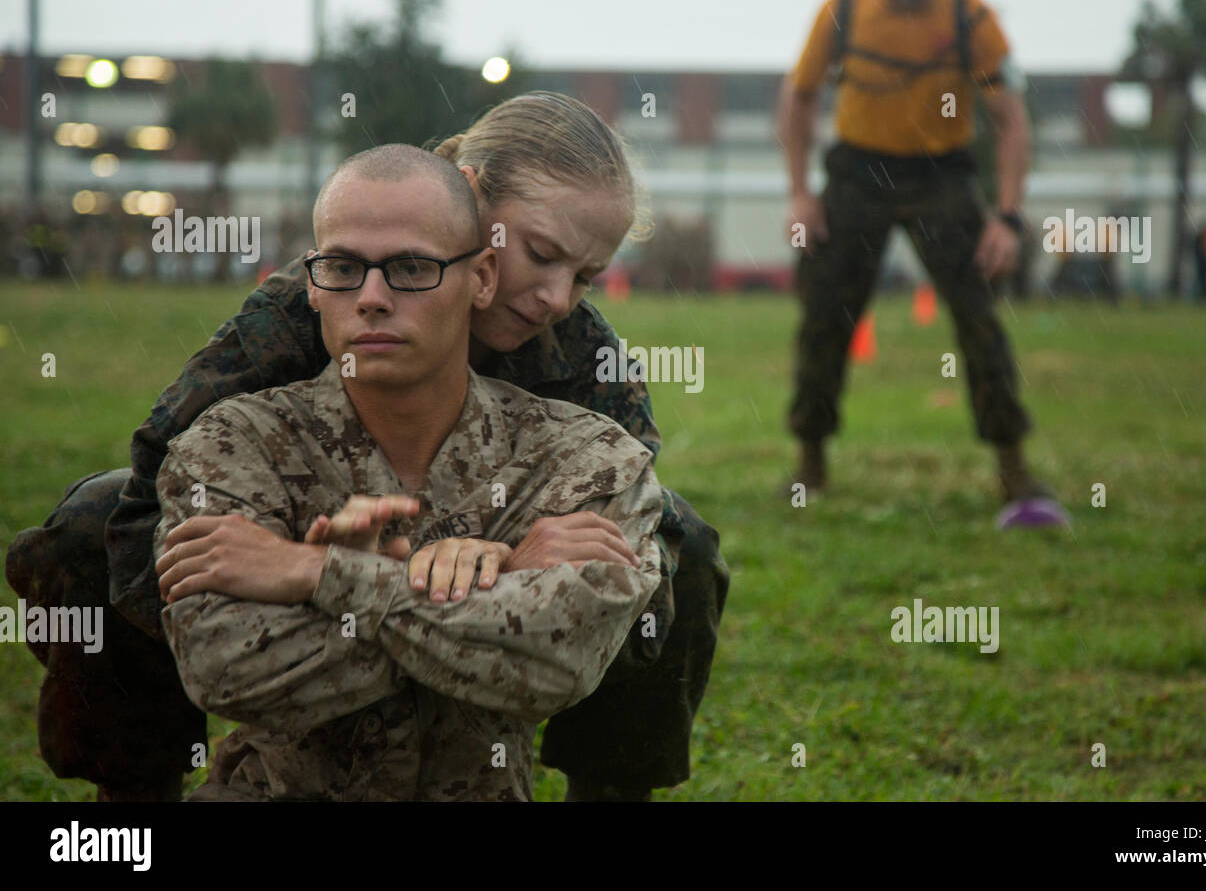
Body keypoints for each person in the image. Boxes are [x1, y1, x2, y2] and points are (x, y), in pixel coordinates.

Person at [4, 91, 729, 802]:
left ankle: (611, 789)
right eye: (540, 254)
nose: (555, 297)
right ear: (469, 199)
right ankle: (134, 788)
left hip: (474, 571)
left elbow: (631, 551)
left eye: (585, 275)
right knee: (89, 528)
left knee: (683, 544)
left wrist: (455, 568)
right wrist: (293, 572)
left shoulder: (576, 348)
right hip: (301, 525)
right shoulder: (309, 308)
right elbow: (147, 504)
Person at [152, 145, 663, 800]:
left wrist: (315, 574)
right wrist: (503, 589)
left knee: (690, 554)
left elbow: (560, 660)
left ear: (482, 278)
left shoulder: (584, 458)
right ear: (311, 282)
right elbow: (223, 667)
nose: (370, 298)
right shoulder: (229, 443)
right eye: (341, 267)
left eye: (411, 268)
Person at [777, 0, 1061, 517]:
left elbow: (1010, 120)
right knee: (825, 312)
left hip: (942, 177)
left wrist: (1006, 217)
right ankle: (810, 461)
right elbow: (798, 97)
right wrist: (801, 193)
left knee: (980, 316)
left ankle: (1014, 468)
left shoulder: (968, 13)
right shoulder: (845, 7)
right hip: (858, 172)